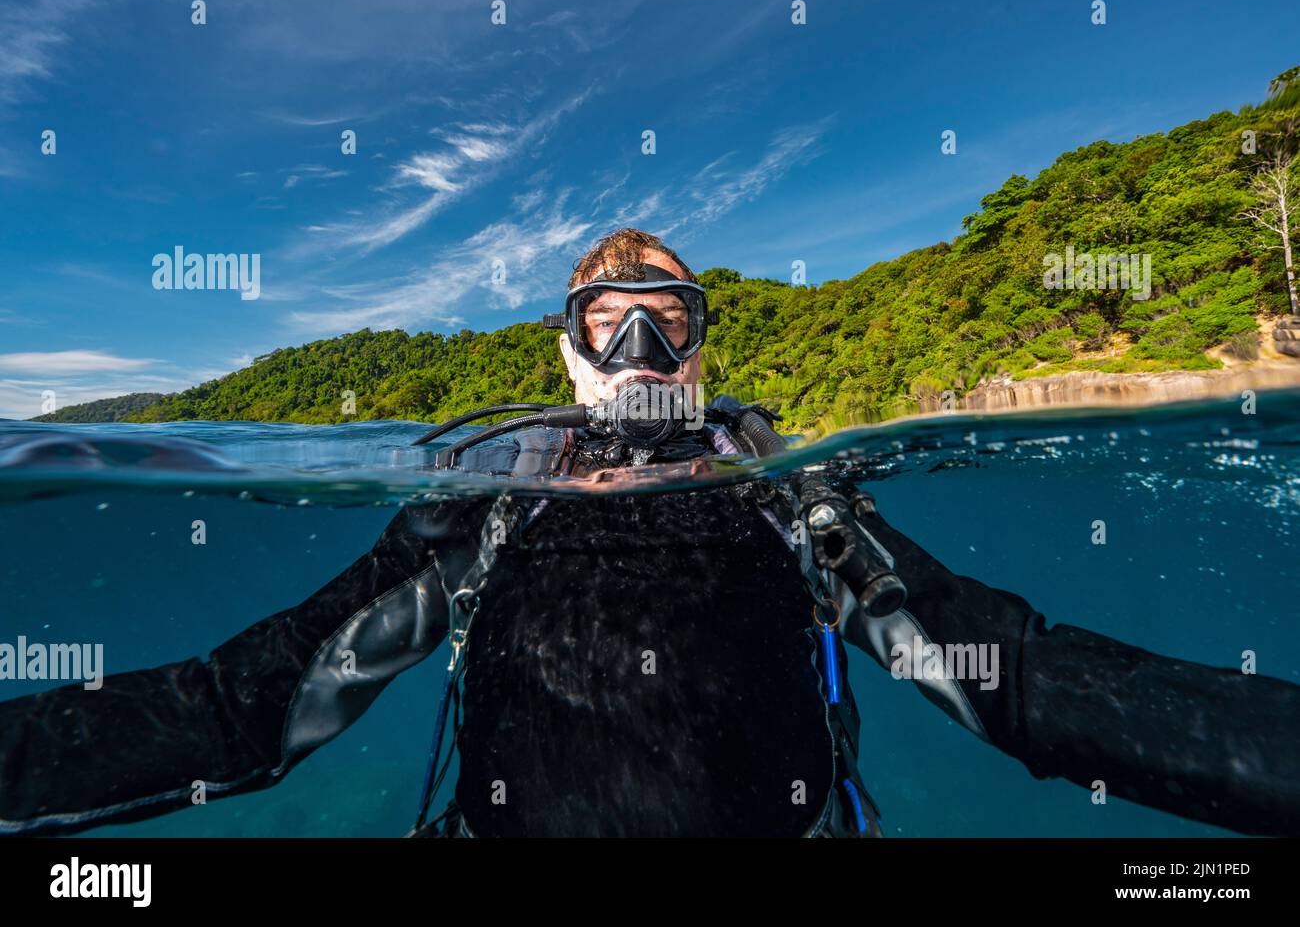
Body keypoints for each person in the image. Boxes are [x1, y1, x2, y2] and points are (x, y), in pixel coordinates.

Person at [2, 229, 1298, 838]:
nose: (638, 346)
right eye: (608, 317)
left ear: (701, 337)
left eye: (666, 317)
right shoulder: (490, 504)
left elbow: (1009, 674)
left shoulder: (788, 495)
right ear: (565, 351)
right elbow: (247, 708)